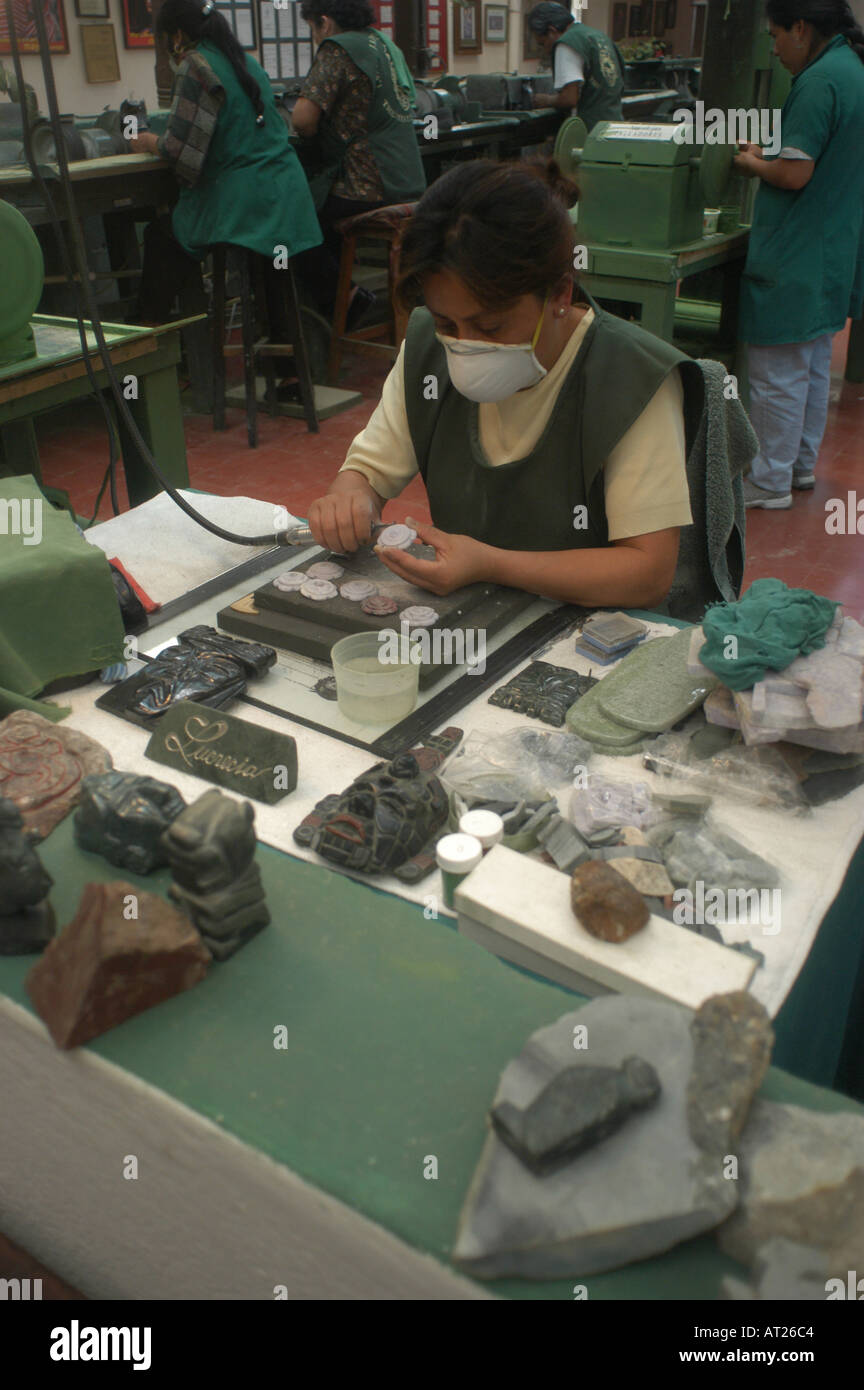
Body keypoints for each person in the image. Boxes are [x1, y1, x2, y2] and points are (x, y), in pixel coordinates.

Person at [307, 159, 699, 612]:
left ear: (559, 295)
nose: (465, 346)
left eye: (490, 326)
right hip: (476, 614)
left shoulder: (630, 377)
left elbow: (647, 574)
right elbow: (367, 472)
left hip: (590, 629)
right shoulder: (428, 351)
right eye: (445, 322)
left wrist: (491, 564)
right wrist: (349, 496)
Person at [734, 0, 864, 509]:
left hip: (796, 253)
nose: (774, 47)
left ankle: (768, 482)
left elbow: (795, 175)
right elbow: (813, 157)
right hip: (830, 252)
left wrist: (752, 164)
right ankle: (798, 468)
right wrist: (771, 154)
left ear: (801, 28)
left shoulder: (817, 82)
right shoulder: (851, 69)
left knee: (776, 376)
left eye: (776, 35)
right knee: (809, 369)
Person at [130, 0, 321, 325]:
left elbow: (179, 151)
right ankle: (286, 368)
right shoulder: (247, 63)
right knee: (268, 265)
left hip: (242, 204)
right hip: (285, 197)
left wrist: (146, 140)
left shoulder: (196, 65)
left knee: (162, 237)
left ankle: (149, 343)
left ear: (176, 35)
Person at [291, 0, 426, 323]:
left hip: (367, 187)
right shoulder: (384, 44)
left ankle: (345, 304)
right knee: (325, 226)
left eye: (312, 29)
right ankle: (344, 309)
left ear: (324, 23)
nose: (314, 37)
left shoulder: (338, 48)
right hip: (406, 181)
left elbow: (302, 120)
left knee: (294, 225)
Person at [528, 2, 624, 130]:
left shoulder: (566, 43)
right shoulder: (599, 37)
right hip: (614, 123)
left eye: (543, 43)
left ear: (552, 31)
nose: (546, 50)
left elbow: (569, 98)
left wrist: (547, 100)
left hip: (590, 127)